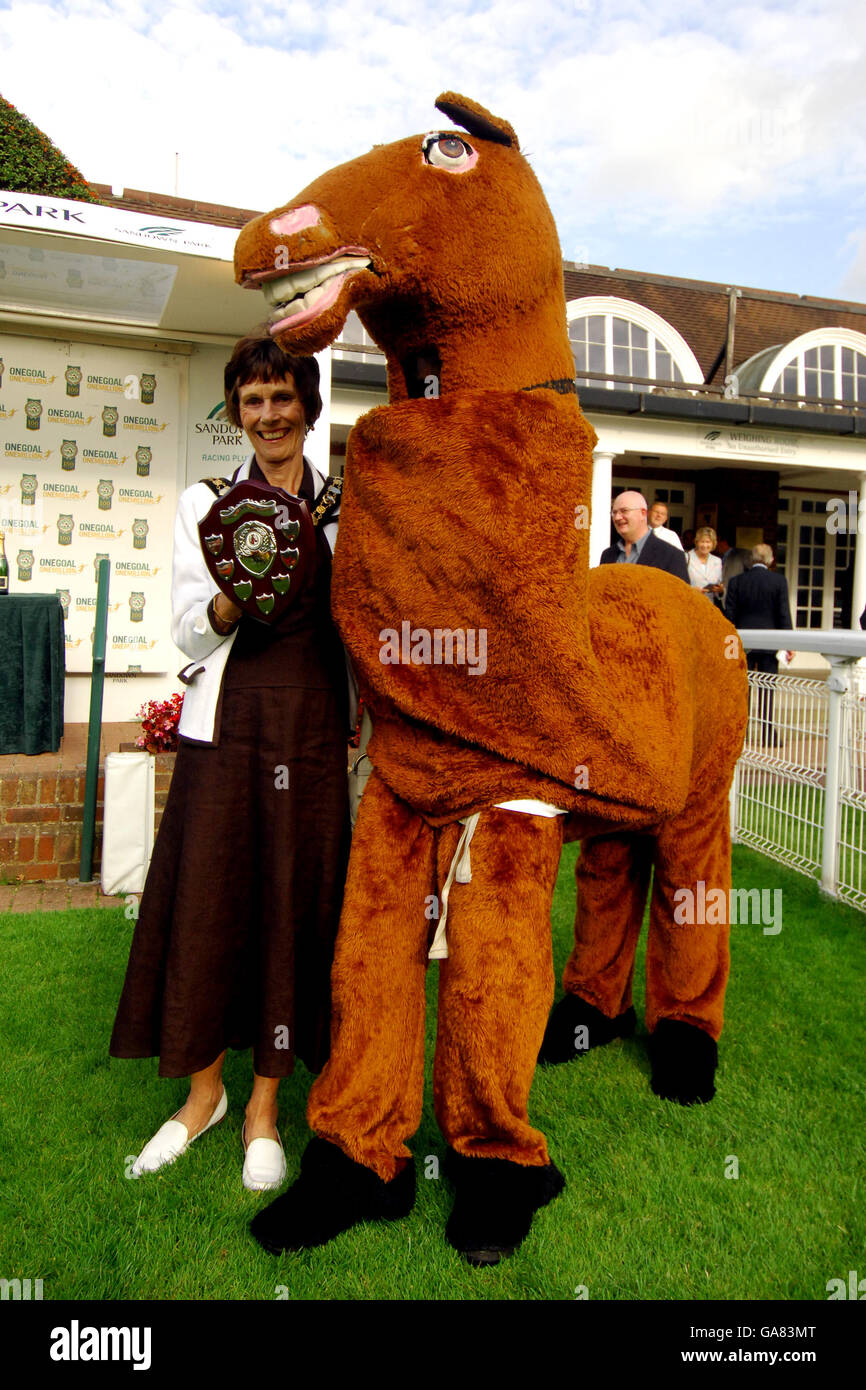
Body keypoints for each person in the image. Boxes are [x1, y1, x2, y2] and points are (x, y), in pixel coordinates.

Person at [110, 334, 351, 1192]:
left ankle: (263, 1107)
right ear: (235, 414)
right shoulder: (204, 503)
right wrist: (231, 591)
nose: (269, 414)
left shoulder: (346, 508)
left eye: (283, 397)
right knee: (208, 901)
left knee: (293, 908)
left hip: (315, 734)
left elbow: (361, 625)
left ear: (308, 406)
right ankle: (202, 1094)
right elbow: (183, 629)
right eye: (252, 401)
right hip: (227, 728)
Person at [725, 543, 794, 745]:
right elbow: (783, 614)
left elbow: (730, 615)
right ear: (771, 560)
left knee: (743, 689)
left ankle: (742, 733)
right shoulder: (778, 581)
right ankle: (768, 734)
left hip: (743, 642)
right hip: (770, 642)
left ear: (751, 560)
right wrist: (789, 643)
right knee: (768, 689)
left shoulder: (737, 581)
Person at [601, 490, 689, 581]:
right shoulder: (607, 555)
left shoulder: (672, 556)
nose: (617, 517)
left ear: (643, 513)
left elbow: (681, 595)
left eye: (624, 511)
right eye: (614, 512)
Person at [686, 525, 724, 604]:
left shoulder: (717, 561)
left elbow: (718, 585)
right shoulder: (686, 557)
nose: (705, 545)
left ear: (713, 544)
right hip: (689, 602)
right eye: (702, 542)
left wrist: (720, 590)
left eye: (708, 542)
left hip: (708, 605)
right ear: (696, 542)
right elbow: (678, 582)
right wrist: (692, 589)